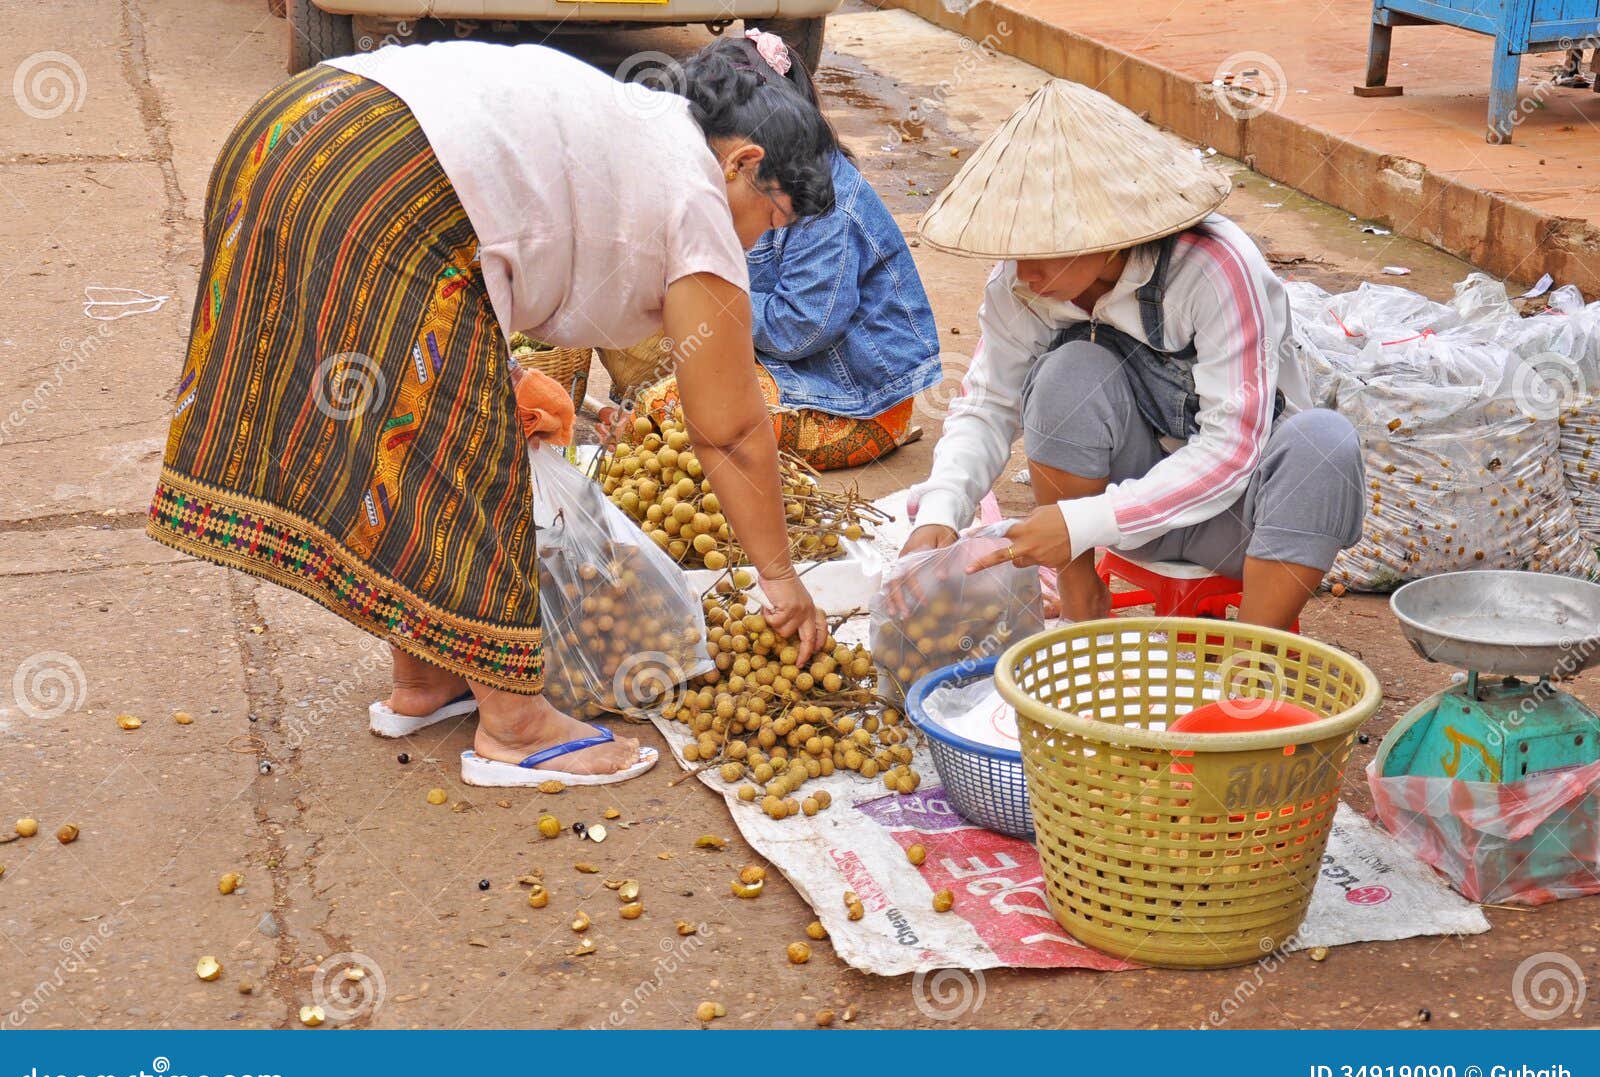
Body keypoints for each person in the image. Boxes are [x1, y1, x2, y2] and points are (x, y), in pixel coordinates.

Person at [146, 38, 833, 787]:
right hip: (376, 177)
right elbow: (729, 429)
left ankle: (429, 677)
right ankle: (515, 725)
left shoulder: (646, 128)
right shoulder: (697, 193)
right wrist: (780, 577)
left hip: (290, 136)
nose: (762, 241)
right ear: (741, 163)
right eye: (772, 215)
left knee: (418, 420)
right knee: (471, 445)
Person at [902, 80, 1364, 632]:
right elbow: (988, 403)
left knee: (1327, 442)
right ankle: (1080, 598)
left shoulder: (1215, 269)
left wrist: (1083, 520)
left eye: (1042, 250)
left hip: (1249, 516)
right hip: (1128, 512)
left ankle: (1251, 661)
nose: (1024, 272)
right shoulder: (1021, 286)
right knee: (1068, 373)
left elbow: (1231, 450)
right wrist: (941, 510)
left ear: (1113, 234)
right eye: (1015, 249)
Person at [616, 30, 942, 471]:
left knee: (679, 406)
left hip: (847, 397)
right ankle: (649, 411)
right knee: (619, 315)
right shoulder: (730, 176)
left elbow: (800, 329)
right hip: (768, 360)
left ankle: (653, 414)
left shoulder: (822, 200)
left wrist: (710, 300)